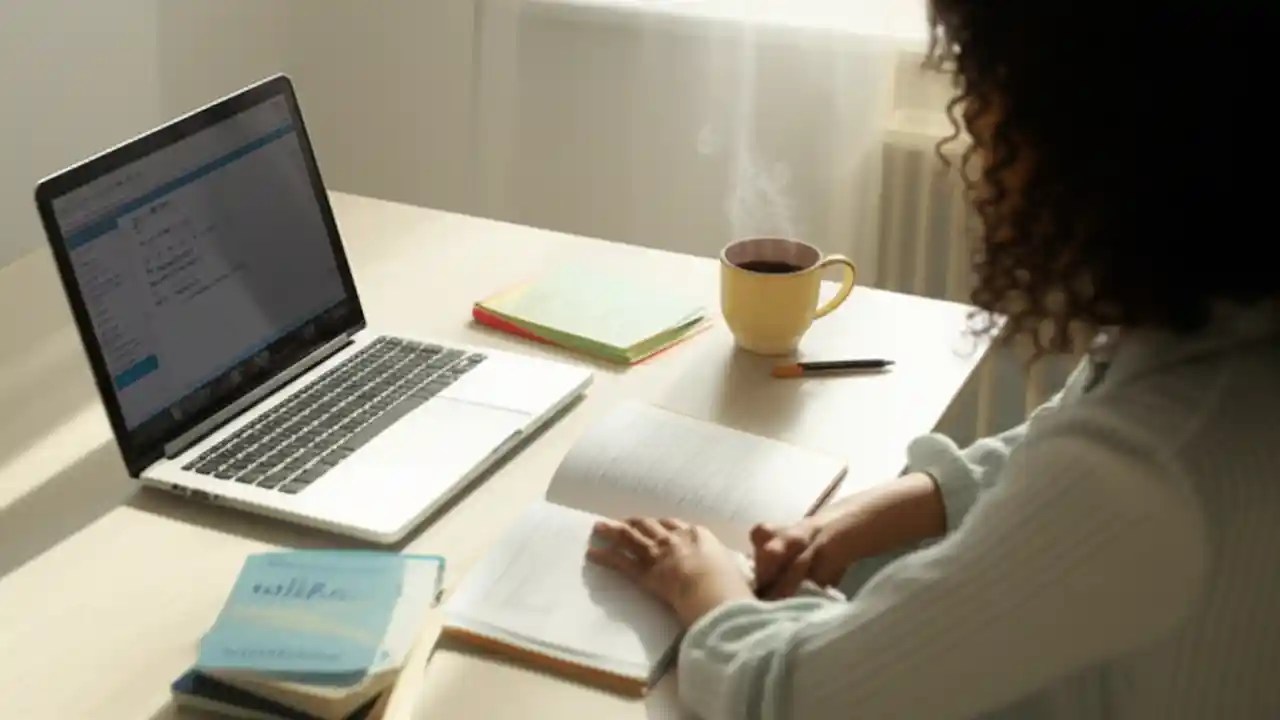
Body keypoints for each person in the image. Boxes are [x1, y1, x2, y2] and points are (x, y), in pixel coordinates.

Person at [586, 2, 1280, 718]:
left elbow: (793, 697)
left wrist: (699, 582)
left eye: (988, 94)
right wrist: (858, 516)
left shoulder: (1146, 475)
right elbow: (1052, 445)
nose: (974, 139)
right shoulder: (1222, 342)